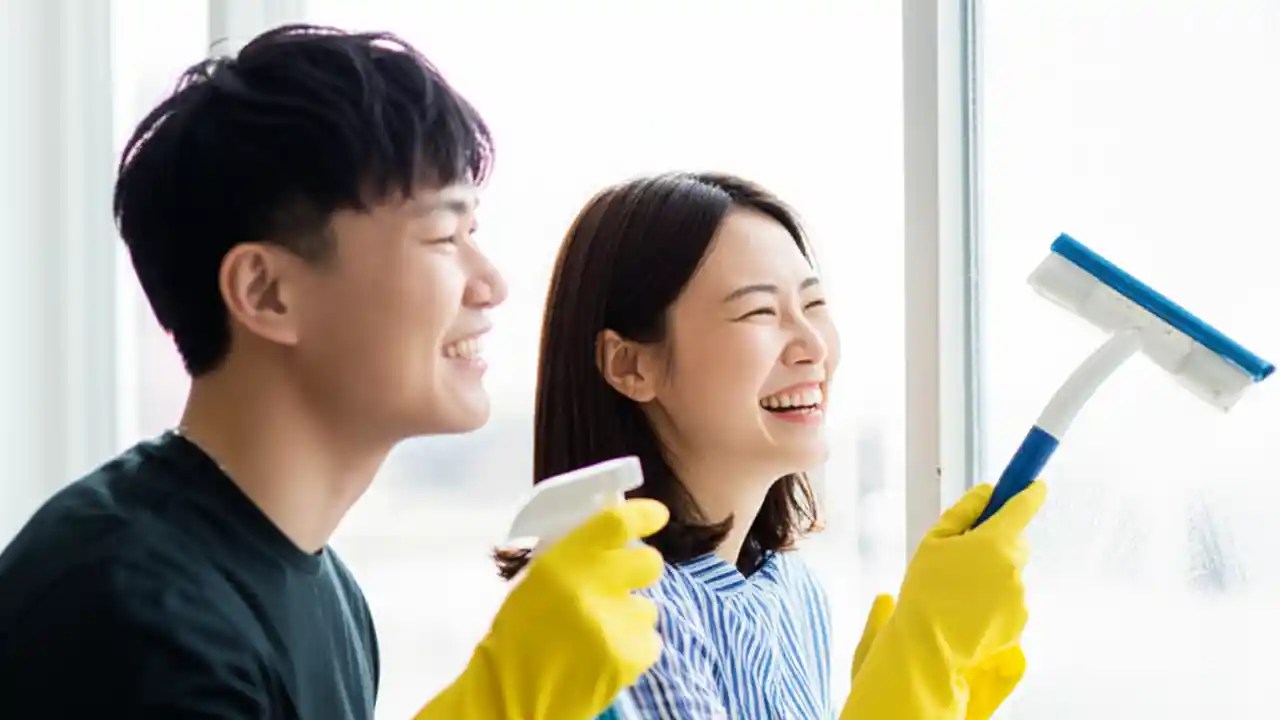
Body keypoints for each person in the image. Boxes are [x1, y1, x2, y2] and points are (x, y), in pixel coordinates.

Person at [0, 24, 668, 720]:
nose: (491, 285)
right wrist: (503, 701)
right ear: (267, 293)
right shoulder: (132, 609)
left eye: (473, 233)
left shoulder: (327, 594)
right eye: (444, 236)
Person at [497, 172, 1046, 718]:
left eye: (813, 304)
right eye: (759, 311)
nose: (812, 346)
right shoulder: (617, 615)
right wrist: (922, 666)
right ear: (630, 365)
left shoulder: (793, 591)